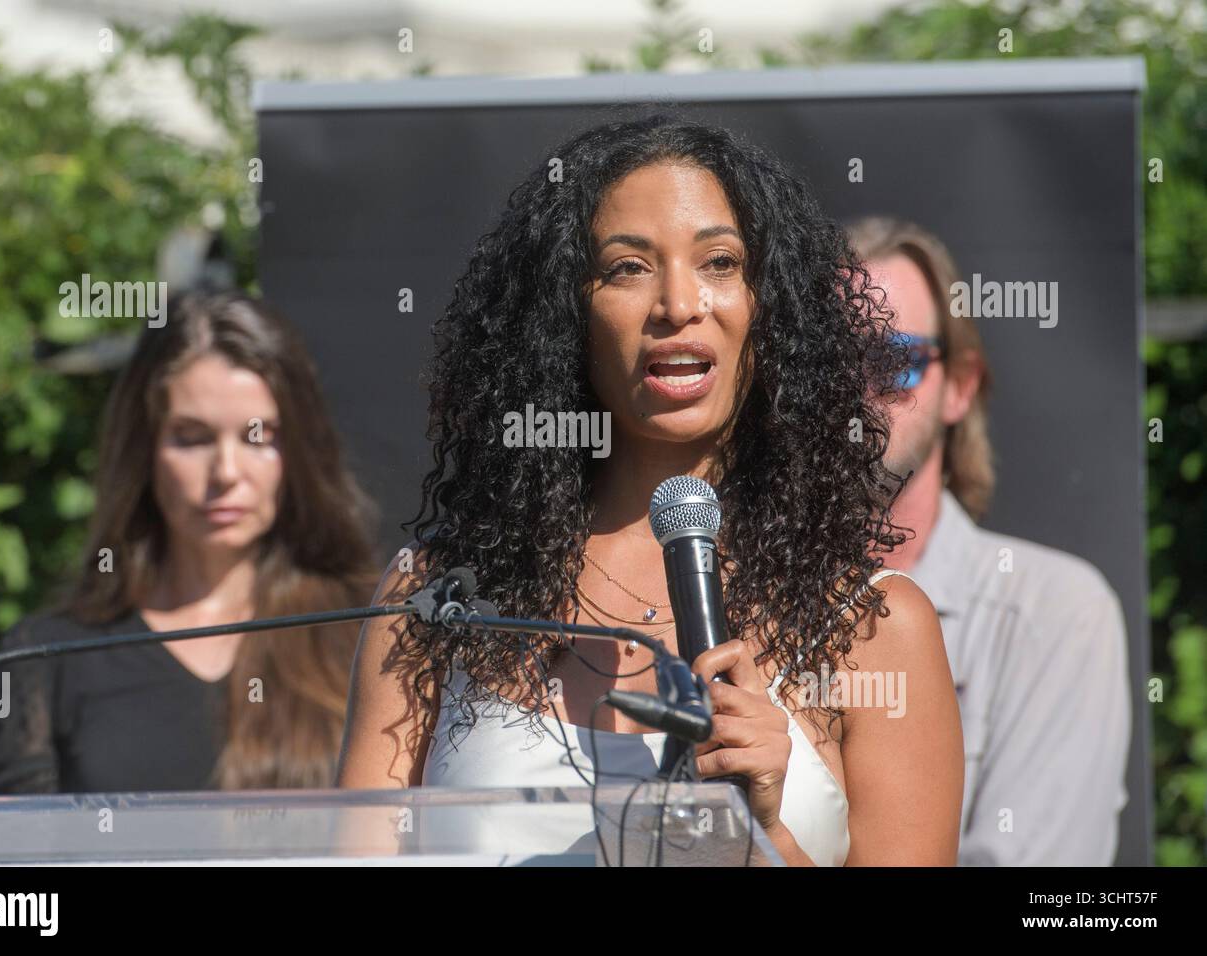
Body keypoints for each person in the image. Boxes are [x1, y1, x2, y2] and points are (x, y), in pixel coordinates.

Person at [337, 114, 964, 866]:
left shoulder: (875, 626)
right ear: (565, 317)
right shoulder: (437, 602)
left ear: (771, 309)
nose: (677, 303)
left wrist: (761, 828)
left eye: (720, 262)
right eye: (628, 267)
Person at [0, 291, 378, 793]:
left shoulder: (365, 633)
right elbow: (11, 852)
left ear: (296, 449)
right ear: (143, 451)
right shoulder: (46, 657)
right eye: (192, 437)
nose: (226, 472)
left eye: (257, 436)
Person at [846, 216, 1131, 865]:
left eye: (892, 360)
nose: (854, 394)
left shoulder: (1054, 612)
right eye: (825, 362)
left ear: (960, 387)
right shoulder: (737, 601)